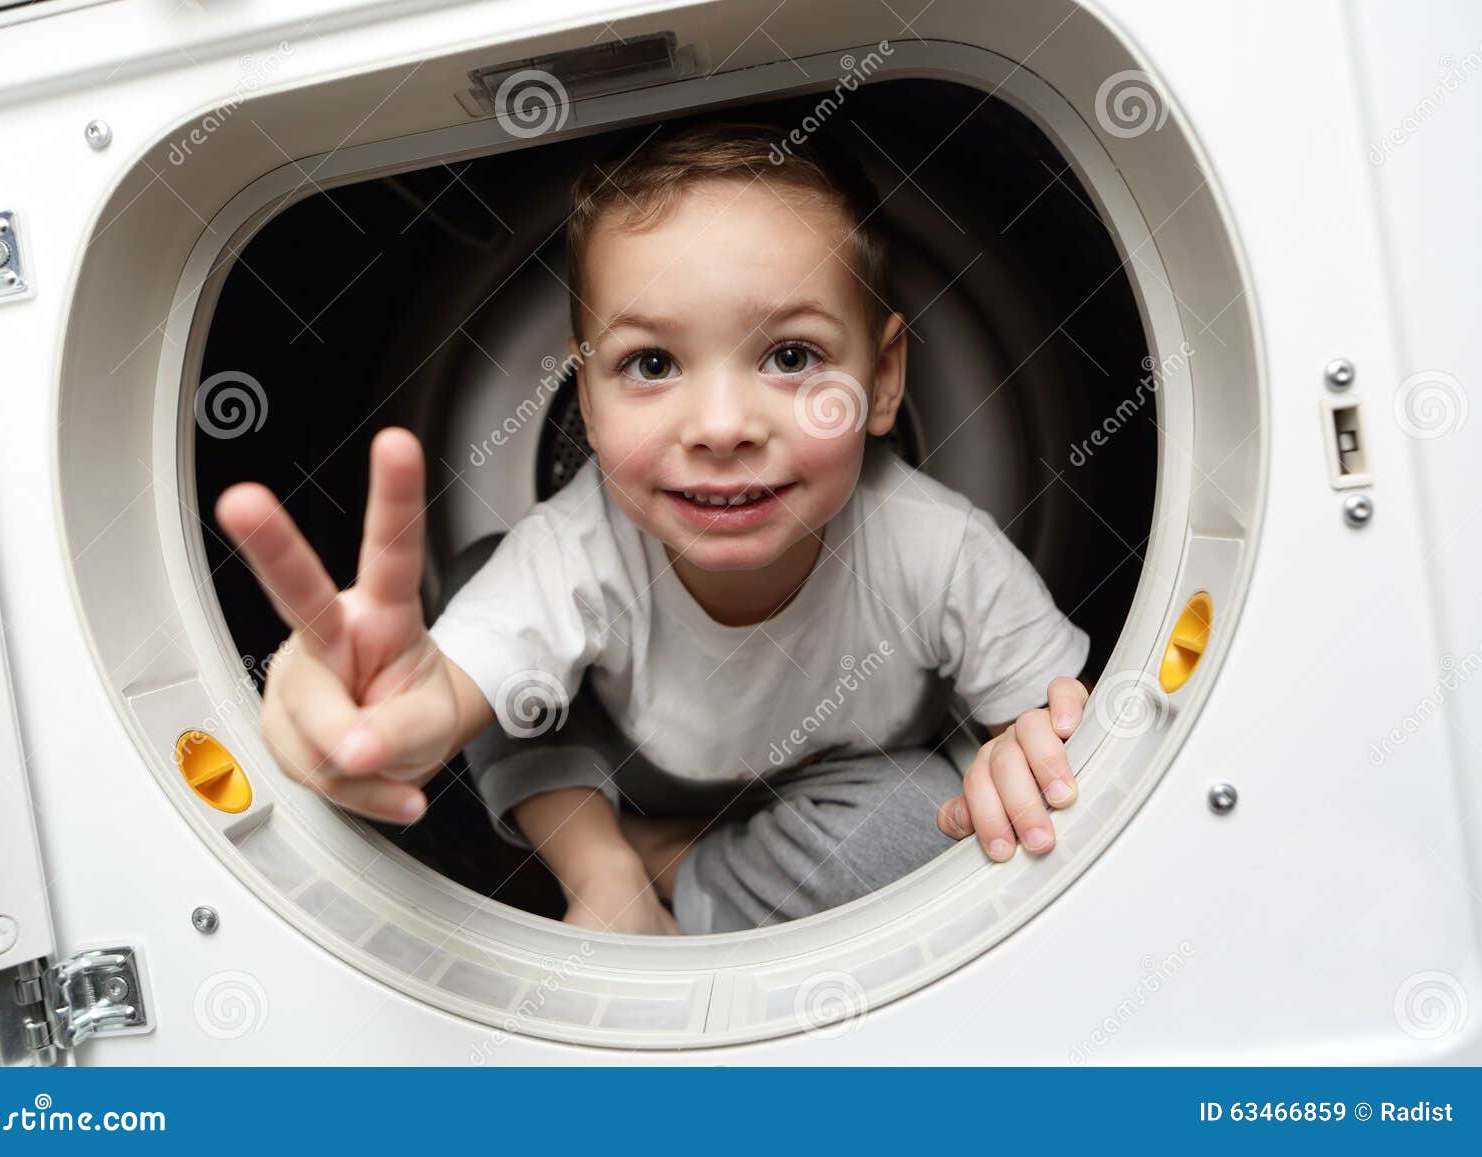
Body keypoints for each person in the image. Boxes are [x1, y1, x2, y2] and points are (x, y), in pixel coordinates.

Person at [214, 117, 1092, 936]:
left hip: (833, 793)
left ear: (885, 376)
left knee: (921, 823)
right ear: (584, 404)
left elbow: (1069, 724)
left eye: (791, 356)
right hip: (609, 759)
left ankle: (664, 861)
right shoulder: (579, 549)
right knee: (488, 577)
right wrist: (374, 708)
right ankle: (598, 862)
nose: (719, 425)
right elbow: (443, 691)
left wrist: (1016, 749)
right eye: (651, 362)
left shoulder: (942, 550)